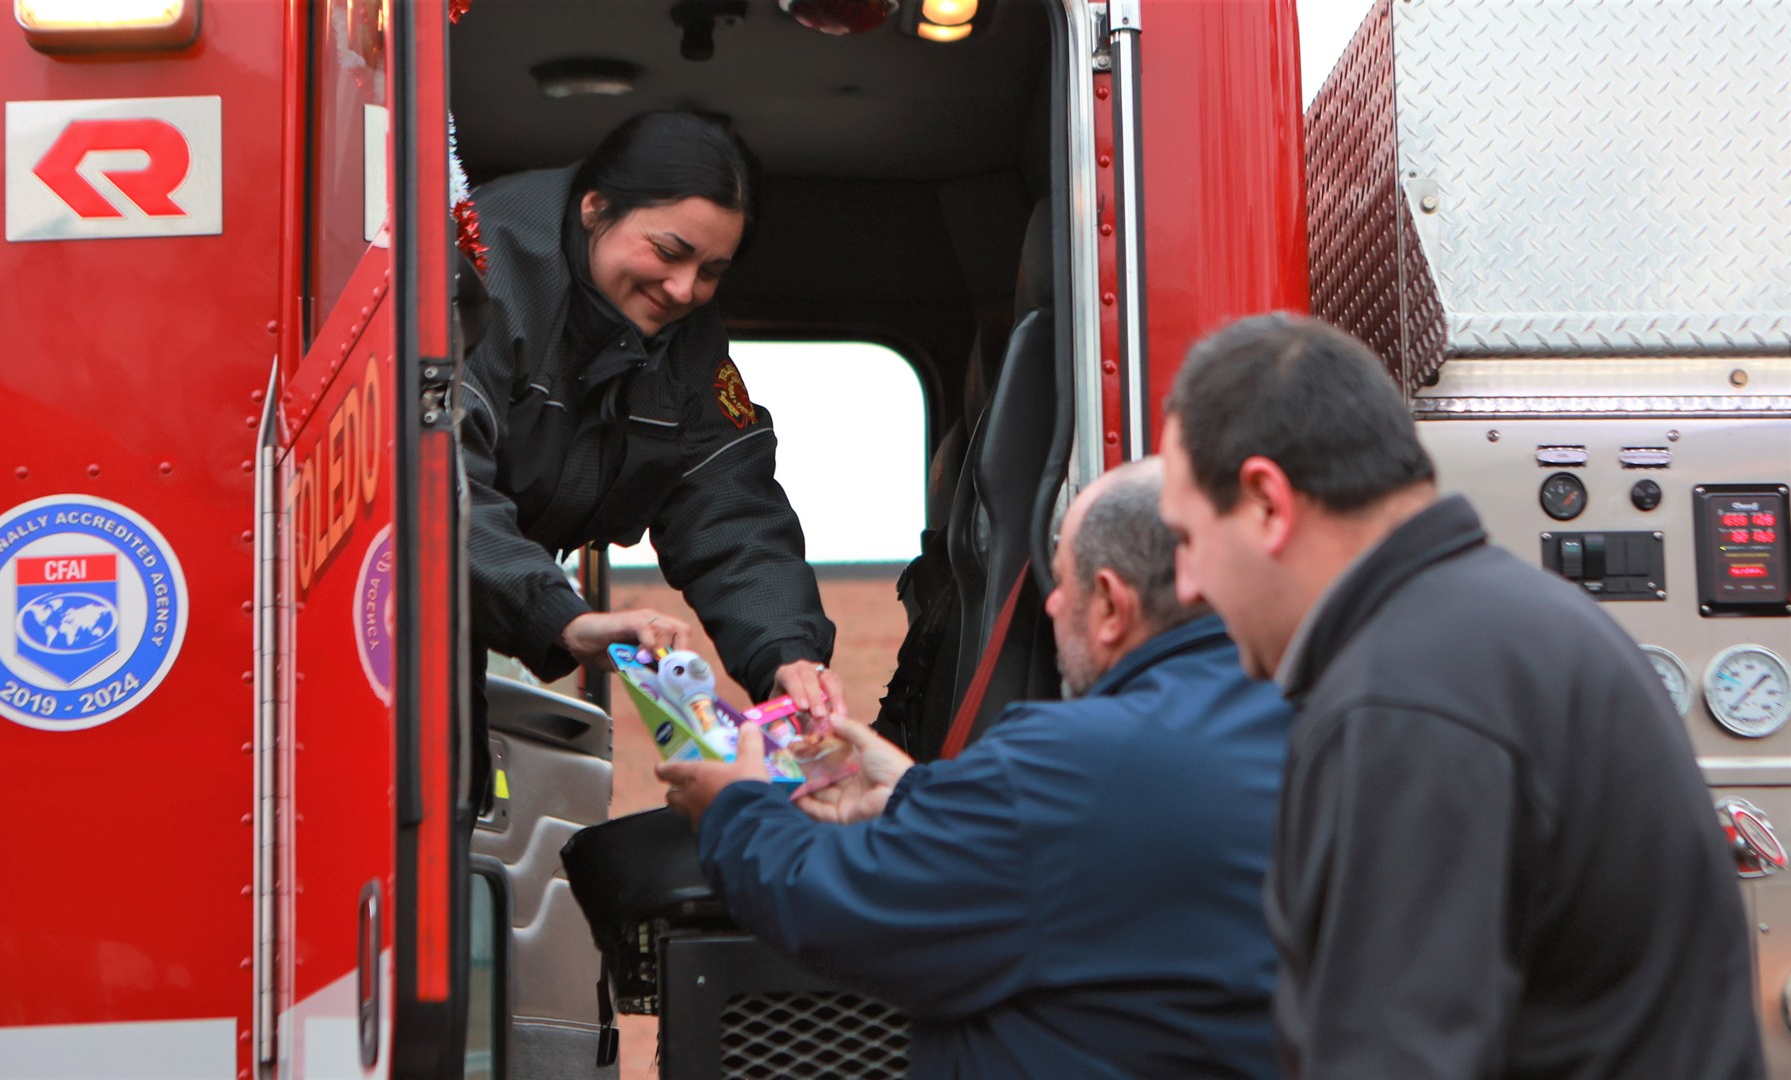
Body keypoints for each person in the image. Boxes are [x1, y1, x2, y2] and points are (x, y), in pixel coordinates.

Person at [1156, 313, 1763, 1079]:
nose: (1184, 585)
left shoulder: (1404, 698)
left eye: (1185, 537)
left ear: (1267, 503)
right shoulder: (1515, 626)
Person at [659, 459, 1294, 1079]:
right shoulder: (1299, 721)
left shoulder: (1063, 762)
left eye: (1062, 585)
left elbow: (842, 908)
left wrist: (733, 808)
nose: (1050, 609)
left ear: (1110, 604)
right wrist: (913, 791)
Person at [460, 111, 841, 733]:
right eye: (669, 252)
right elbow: (432, 485)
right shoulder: (480, 268)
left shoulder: (685, 339)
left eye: (712, 271)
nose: (685, 289)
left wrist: (788, 655)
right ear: (594, 207)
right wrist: (564, 617)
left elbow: (729, 503)